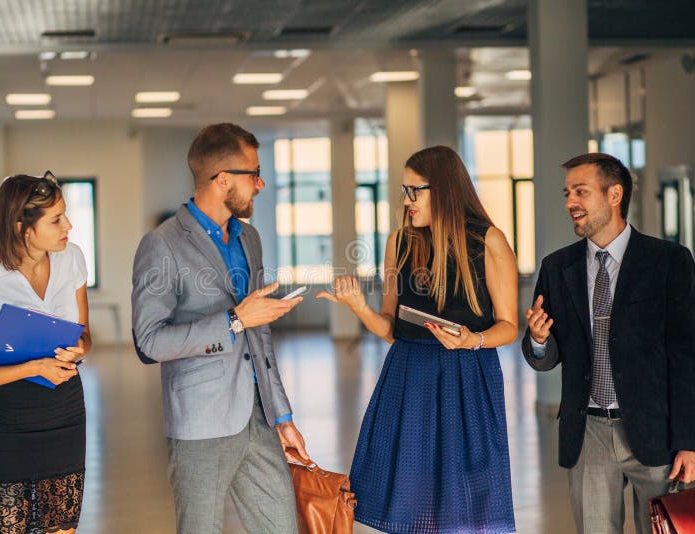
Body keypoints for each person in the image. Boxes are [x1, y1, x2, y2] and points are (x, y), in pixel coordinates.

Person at [318, 145, 518, 533]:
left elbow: (508, 326)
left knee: (462, 499)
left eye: (416, 191)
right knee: (406, 493)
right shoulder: (400, 241)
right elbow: (392, 329)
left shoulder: (489, 241)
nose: (406, 200)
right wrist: (359, 306)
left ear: (444, 190)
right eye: (404, 191)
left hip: (466, 374)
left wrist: (471, 340)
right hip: (408, 374)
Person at [131, 123, 309, 533]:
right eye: (254, 173)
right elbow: (148, 341)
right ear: (222, 179)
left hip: (259, 418)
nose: (261, 184)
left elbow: (259, 334)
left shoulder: (250, 238)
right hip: (200, 422)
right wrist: (233, 321)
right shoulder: (162, 245)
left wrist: (281, 415)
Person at [522, 152, 695, 534]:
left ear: (614, 194)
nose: (570, 202)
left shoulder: (668, 261)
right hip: (588, 435)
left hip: (657, 435)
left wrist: (690, 441)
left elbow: (687, 357)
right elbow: (546, 356)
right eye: (567, 193)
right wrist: (538, 339)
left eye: (580, 192)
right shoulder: (557, 267)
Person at [0, 171, 91, 534]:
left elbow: (85, 336)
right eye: (57, 219)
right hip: (10, 425)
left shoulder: (72, 258)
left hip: (66, 413)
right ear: (21, 227)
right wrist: (34, 366)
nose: (69, 225)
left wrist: (78, 349)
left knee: (61, 529)